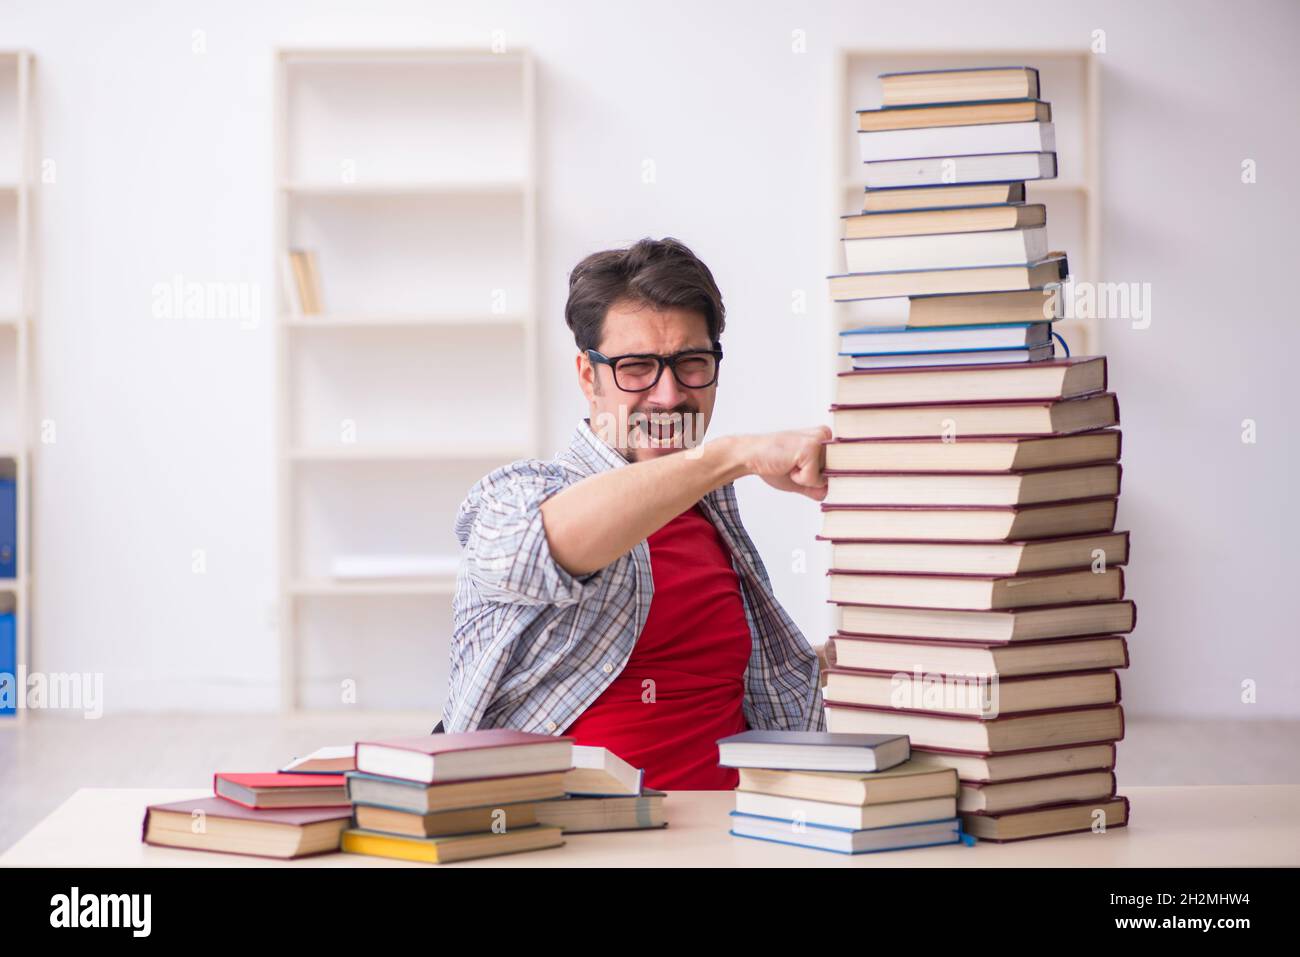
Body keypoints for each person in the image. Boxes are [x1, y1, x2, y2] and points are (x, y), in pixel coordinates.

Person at [438, 237, 830, 789]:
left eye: (692, 363)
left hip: (730, 834)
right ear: (587, 377)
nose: (668, 396)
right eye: (637, 367)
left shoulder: (713, 519)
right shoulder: (522, 493)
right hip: (572, 835)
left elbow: (716, 681)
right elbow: (529, 553)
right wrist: (731, 454)